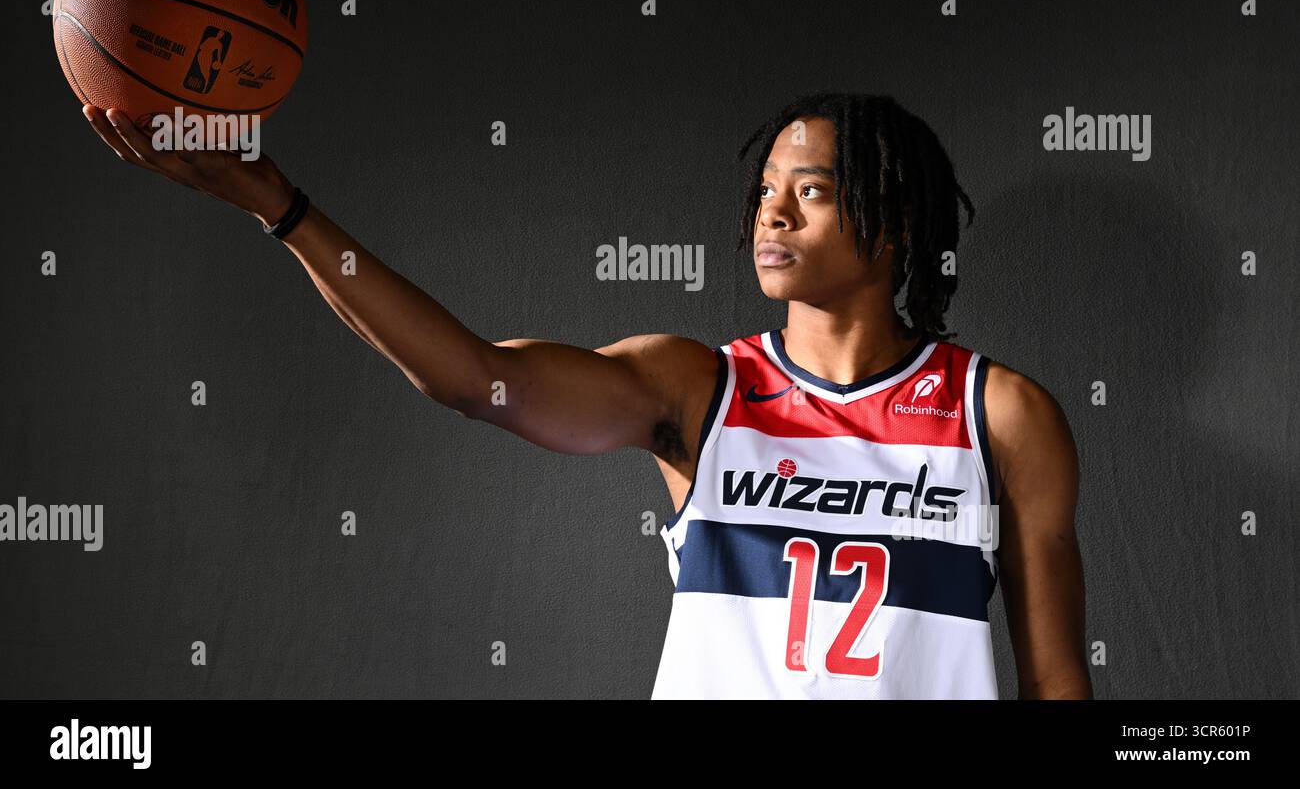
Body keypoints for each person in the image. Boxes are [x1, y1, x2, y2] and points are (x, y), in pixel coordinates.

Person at [82, 91, 1091, 699]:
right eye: (765, 188)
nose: (770, 210)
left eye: (813, 188)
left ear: (898, 213)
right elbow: (477, 379)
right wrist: (281, 207)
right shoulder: (698, 387)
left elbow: (1054, 683)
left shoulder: (996, 414)